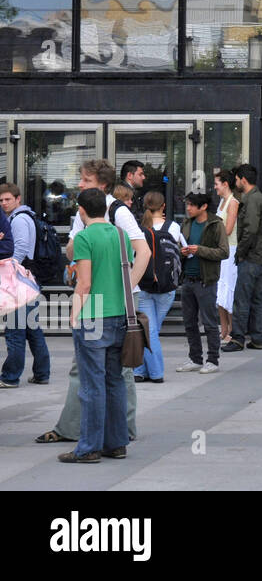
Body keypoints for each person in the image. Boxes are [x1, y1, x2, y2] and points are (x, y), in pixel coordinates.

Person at [36, 159, 150, 446]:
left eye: (85, 180)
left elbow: (144, 252)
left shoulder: (117, 211)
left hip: (107, 301)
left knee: (115, 368)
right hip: (98, 298)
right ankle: (102, 431)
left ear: (101, 183)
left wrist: (126, 287)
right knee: (94, 368)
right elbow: (74, 249)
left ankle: (115, 429)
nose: (80, 184)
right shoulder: (85, 212)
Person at [62, 187, 149, 462]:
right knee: (115, 380)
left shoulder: (85, 237)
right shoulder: (121, 235)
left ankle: (89, 448)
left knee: (91, 385)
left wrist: (74, 315)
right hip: (120, 312)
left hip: (94, 311)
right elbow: (134, 263)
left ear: (81, 210)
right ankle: (117, 443)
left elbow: (84, 282)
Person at [1, 183, 50, 388]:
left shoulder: (19, 220)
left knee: (15, 330)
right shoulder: (24, 216)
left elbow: (17, 249)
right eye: (1, 200)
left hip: (18, 280)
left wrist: (8, 270)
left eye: (8, 199)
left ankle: (10, 377)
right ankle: (41, 373)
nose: (4, 203)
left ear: (18, 198)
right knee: (31, 328)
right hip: (28, 280)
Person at [175, 191, 229, 374]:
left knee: (209, 322)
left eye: (191, 205)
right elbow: (180, 247)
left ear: (203, 207)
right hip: (188, 279)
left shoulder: (215, 224)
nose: (188, 208)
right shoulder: (187, 223)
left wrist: (200, 250)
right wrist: (182, 251)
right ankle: (195, 358)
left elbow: (223, 252)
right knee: (189, 322)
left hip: (206, 280)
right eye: (187, 204)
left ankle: (213, 359)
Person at [133, 191, 182, 382]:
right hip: (166, 287)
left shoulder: (138, 228)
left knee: (148, 330)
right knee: (152, 330)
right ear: (163, 206)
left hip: (144, 285)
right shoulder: (174, 227)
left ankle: (145, 372)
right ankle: (148, 372)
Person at [224, 164, 262, 353]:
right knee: (258, 299)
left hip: (251, 257)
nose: (235, 183)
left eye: (236, 179)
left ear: (243, 179)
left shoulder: (252, 200)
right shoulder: (259, 198)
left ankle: (237, 339)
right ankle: (258, 339)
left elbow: (250, 230)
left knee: (241, 298)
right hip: (261, 256)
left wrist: (240, 252)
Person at [213, 169, 240, 343]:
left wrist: (212, 232)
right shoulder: (222, 202)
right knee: (220, 289)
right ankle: (224, 328)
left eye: (216, 184)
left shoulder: (233, 202)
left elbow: (228, 229)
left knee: (228, 288)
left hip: (230, 250)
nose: (214, 187)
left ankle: (231, 328)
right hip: (221, 250)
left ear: (225, 184)